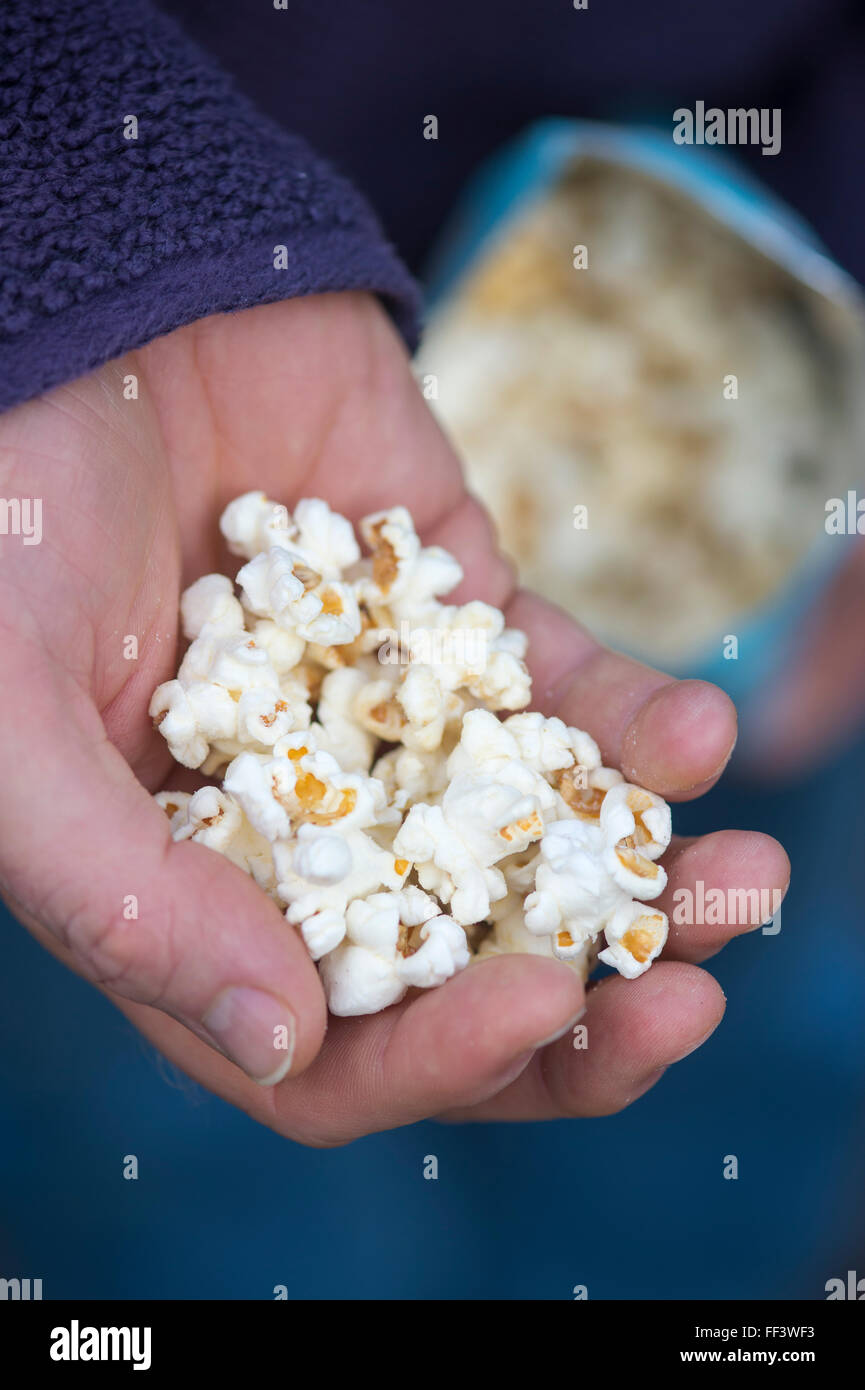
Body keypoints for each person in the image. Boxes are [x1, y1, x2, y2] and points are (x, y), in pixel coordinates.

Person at [0, 0, 796, 1145]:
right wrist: (65, 250)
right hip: (185, 208)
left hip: (745, 147)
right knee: (160, 1077)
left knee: (754, 1010)